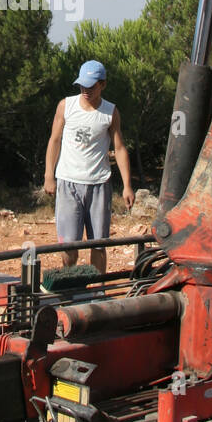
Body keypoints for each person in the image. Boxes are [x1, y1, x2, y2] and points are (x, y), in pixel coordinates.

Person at [43, 60, 134, 274]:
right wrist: (49, 175)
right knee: (69, 246)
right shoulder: (66, 106)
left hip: (98, 185)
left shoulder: (110, 112)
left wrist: (127, 185)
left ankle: (98, 294)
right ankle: (69, 289)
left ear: (102, 84)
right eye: (82, 85)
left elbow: (119, 148)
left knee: (99, 245)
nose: (86, 90)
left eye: (91, 86)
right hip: (68, 183)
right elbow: (54, 140)